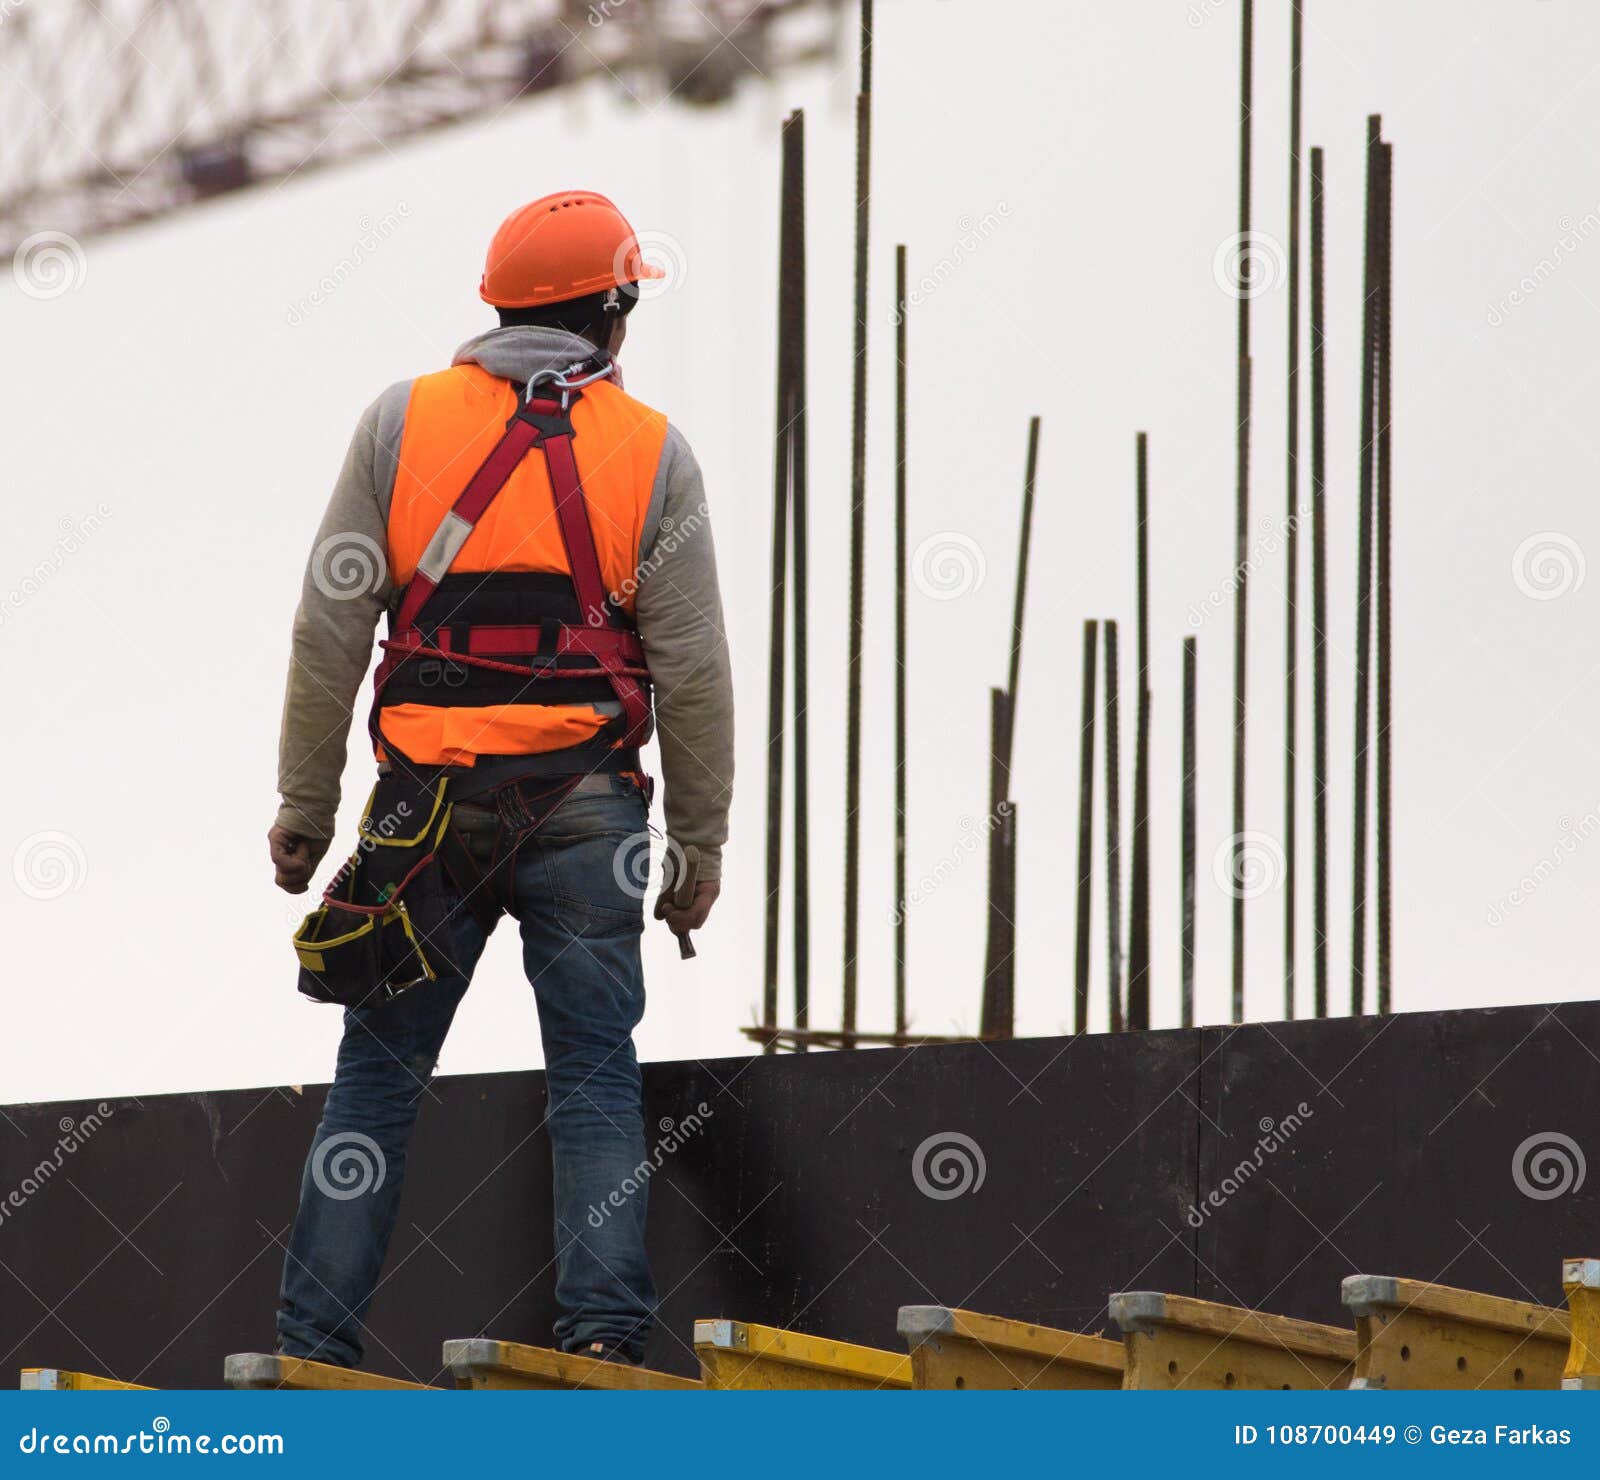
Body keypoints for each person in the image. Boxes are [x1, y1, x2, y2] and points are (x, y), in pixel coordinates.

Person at [266, 190, 733, 1368]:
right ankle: (606, 1349)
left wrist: (303, 811)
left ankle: (310, 1355)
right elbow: (694, 666)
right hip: (589, 810)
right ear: (611, 314)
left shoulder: (400, 422)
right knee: (592, 1078)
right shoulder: (653, 451)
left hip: (423, 808)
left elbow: (329, 626)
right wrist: (700, 846)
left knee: (374, 1084)